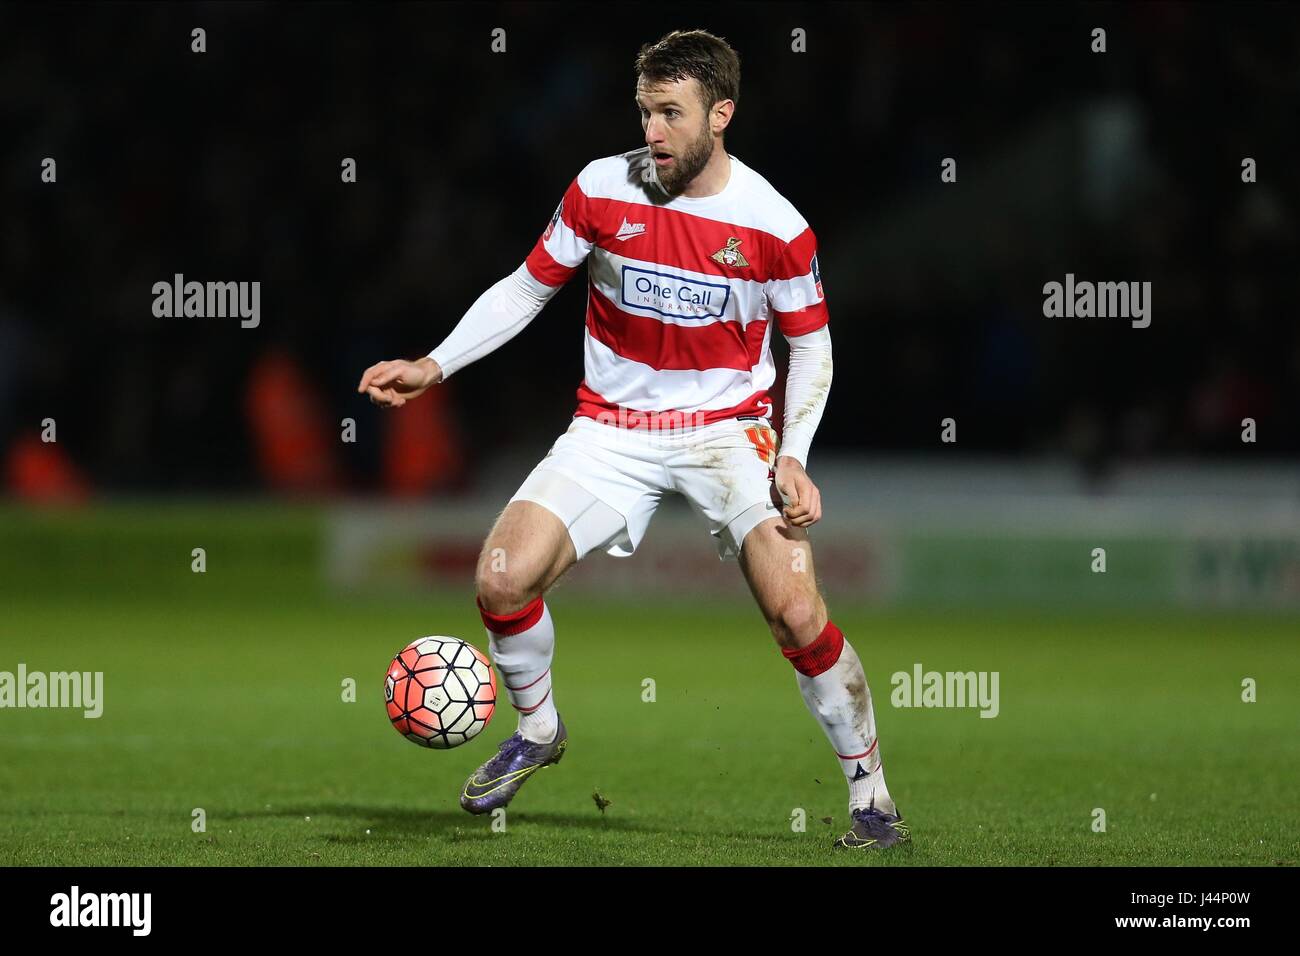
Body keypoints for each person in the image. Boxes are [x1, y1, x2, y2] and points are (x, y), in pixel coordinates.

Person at [357, 29, 907, 851]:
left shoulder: (773, 225)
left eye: (671, 113)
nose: (652, 130)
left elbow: (813, 346)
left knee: (796, 611)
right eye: (645, 110)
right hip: (610, 430)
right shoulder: (600, 188)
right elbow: (525, 289)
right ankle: (539, 731)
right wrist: (435, 364)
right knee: (501, 578)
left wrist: (793, 452)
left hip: (728, 433)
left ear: (721, 114)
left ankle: (872, 797)